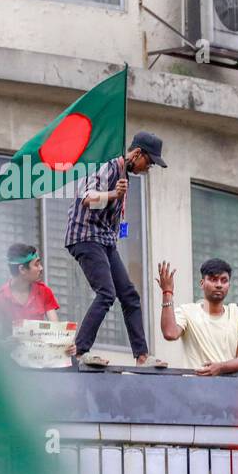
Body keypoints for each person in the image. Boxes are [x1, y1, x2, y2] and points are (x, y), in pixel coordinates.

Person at [65, 132, 165, 364]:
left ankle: (142, 356)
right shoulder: (107, 166)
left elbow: (118, 216)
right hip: (86, 236)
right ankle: (80, 351)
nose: (147, 169)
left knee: (130, 296)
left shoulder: (125, 177)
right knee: (106, 293)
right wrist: (112, 194)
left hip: (105, 240)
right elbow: (87, 198)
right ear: (137, 153)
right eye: (148, 163)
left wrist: (124, 234)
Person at [156, 258, 238, 375]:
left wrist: (219, 368)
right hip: (194, 387)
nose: (219, 285)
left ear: (229, 285)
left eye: (224, 280)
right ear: (202, 283)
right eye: (213, 280)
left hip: (230, 388)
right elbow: (170, 333)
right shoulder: (187, 311)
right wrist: (167, 292)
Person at [0, 243, 60, 335]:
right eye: (36, 265)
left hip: (39, 349)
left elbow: (56, 330)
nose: (41, 268)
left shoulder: (44, 291)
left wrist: (65, 345)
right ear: (22, 269)